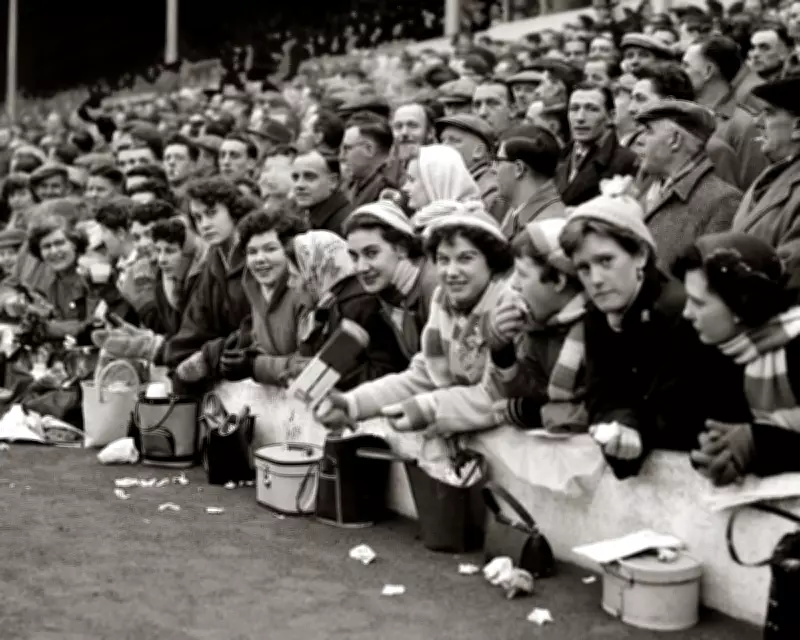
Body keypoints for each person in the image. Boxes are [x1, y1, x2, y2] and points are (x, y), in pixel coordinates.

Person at [558, 179, 713, 478]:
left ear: (640, 255)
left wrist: (632, 424)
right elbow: (601, 395)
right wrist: (618, 422)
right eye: (584, 268)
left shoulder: (680, 312)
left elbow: (679, 413)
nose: (596, 279)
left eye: (606, 261)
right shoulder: (597, 314)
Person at [317, 209, 513, 436]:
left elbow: (499, 394)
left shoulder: (507, 306)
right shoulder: (444, 299)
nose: (450, 272)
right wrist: (353, 404)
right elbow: (425, 374)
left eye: (465, 258)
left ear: (492, 261)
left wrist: (427, 407)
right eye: (442, 260)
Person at [673, 233, 800, 484]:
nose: (687, 312)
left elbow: (760, 442)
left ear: (742, 305)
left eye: (699, 303)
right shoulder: (724, 354)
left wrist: (756, 443)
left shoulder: (796, 349)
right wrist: (717, 453)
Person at [488, 218, 588, 433]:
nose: (513, 284)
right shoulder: (535, 326)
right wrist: (502, 351)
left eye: (522, 274)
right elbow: (527, 390)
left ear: (559, 280)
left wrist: (537, 414)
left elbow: (607, 409)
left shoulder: (597, 330)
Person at [285, 229, 408, 390]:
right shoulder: (327, 304)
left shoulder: (360, 303)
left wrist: (325, 376)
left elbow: (385, 372)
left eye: (294, 276)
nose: (290, 284)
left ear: (313, 272)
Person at [165, 178, 260, 385]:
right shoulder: (214, 259)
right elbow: (197, 320)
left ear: (234, 211)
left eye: (211, 213)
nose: (204, 225)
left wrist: (208, 356)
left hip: (252, 366)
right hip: (224, 363)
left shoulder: (258, 256)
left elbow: (260, 326)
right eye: (198, 218)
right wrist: (174, 355)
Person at [634, 100, 741, 268]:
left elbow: (709, 278)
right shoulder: (645, 187)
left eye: (648, 131)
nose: (638, 140)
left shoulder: (722, 200)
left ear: (675, 140)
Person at [217, 210, 311, 385]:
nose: (259, 259)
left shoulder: (305, 294)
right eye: (252, 252)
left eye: (270, 249)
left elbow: (309, 366)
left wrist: (255, 366)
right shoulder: (254, 289)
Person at [343, 200, 438, 359]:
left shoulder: (434, 287)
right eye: (354, 256)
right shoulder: (391, 293)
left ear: (401, 248)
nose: (361, 267)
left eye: (371, 253)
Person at [731, 74, 800, 288]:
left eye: (769, 113)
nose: (757, 122)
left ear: (798, 127)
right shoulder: (772, 173)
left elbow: (789, 269)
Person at [556, 84, 638, 206]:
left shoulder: (626, 161)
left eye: (591, 109)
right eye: (574, 109)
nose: (580, 118)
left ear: (611, 116)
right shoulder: (559, 157)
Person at [494, 127, 564, 241]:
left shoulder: (546, 225)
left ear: (519, 168)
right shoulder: (517, 210)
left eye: (498, 161)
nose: (493, 169)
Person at [402, 144, 481, 226]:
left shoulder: (457, 230)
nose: (404, 188)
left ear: (437, 183)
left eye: (412, 180)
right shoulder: (424, 220)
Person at [290, 151, 352, 236]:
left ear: (333, 181)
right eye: (295, 177)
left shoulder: (344, 225)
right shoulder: (306, 216)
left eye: (309, 177)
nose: (299, 185)